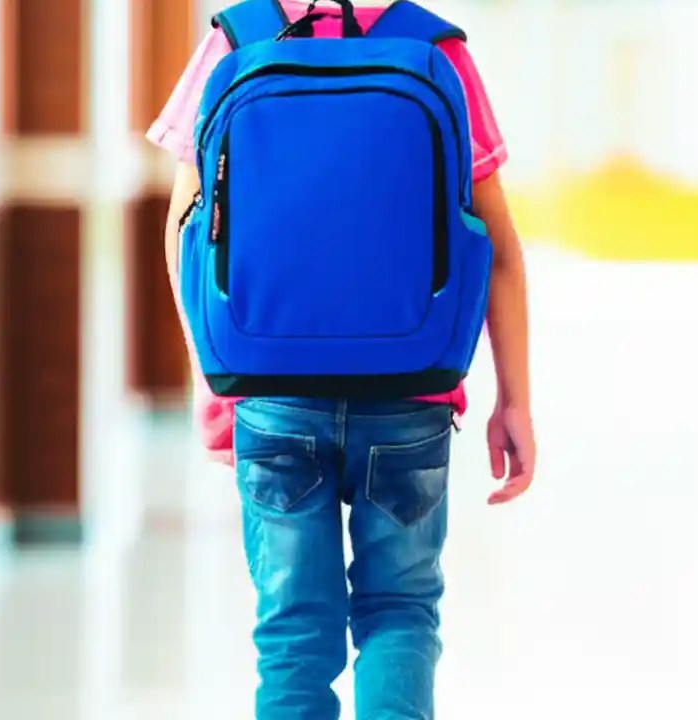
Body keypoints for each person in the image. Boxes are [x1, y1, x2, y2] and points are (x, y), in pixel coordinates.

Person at [147, 1, 536, 717]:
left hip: (272, 389)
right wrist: (514, 400)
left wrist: (213, 377)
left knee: (293, 633)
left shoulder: (237, 42)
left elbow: (184, 228)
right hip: (411, 389)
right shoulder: (435, 49)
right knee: (400, 613)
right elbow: (499, 246)